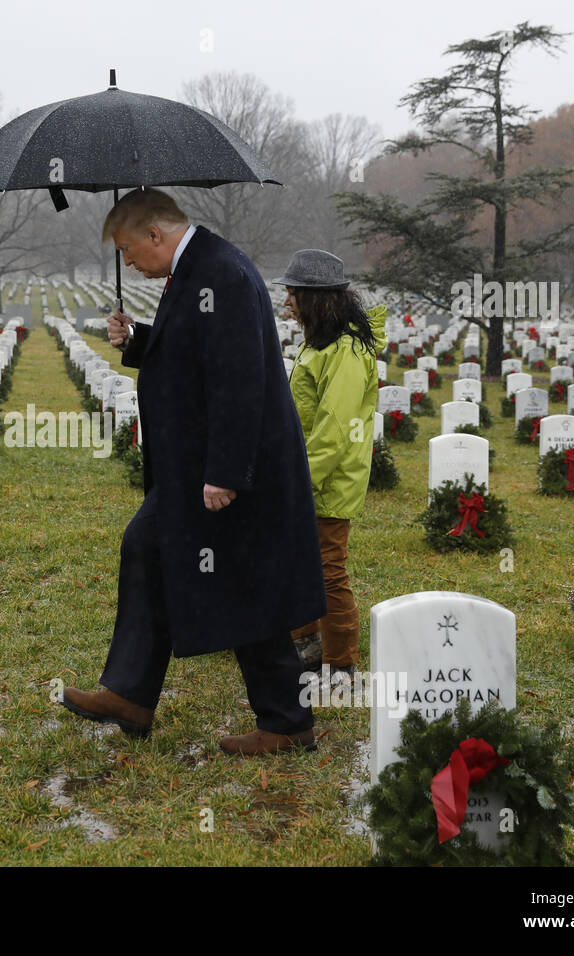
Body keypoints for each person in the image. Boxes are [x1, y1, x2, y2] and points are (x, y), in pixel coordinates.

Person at [60, 188, 327, 756]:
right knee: (150, 548)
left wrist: (227, 470)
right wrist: (139, 340)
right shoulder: (196, 271)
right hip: (195, 466)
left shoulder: (220, 274)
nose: (129, 262)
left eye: (130, 250)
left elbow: (238, 377)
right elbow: (193, 355)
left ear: (156, 235)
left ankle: (285, 723)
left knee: (245, 583)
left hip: (228, 467)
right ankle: (130, 694)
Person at [275, 250, 386, 681]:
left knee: (327, 569)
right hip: (307, 473)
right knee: (300, 562)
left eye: (293, 294)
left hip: (328, 479)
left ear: (316, 299)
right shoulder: (320, 342)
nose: (287, 303)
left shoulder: (346, 351)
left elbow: (334, 428)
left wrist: (298, 482)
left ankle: (340, 660)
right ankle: (305, 640)